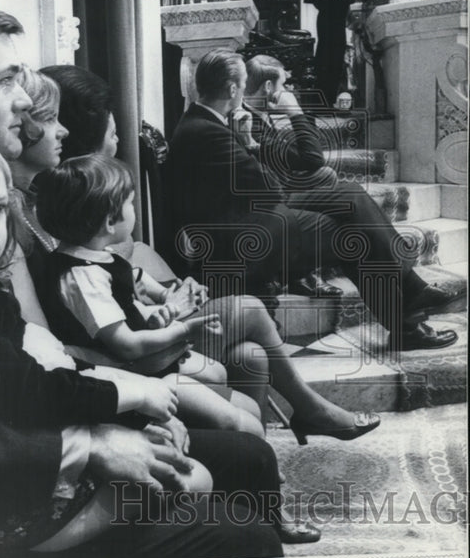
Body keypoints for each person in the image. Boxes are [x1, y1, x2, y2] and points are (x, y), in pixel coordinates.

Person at [0, 1, 289, 558]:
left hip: (47, 417)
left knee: (240, 457)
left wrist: (120, 408)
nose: (26, 102)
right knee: (236, 525)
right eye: (6, 80)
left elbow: (27, 351)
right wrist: (96, 434)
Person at [0, 121, 218, 558]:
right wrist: (134, 395)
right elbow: (30, 391)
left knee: (188, 471)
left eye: (0, 209)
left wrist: (131, 410)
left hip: (18, 450)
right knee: (193, 480)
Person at [35, 63, 386, 444]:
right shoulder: (79, 212)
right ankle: (309, 409)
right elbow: (98, 317)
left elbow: (128, 269)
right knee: (253, 304)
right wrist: (169, 311)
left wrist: (165, 293)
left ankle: (257, 460)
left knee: (252, 355)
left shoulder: (81, 209)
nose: (118, 142)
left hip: (154, 321)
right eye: (113, 133)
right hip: (135, 355)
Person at [167, 48, 460, 353]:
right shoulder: (209, 132)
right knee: (354, 234)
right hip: (251, 231)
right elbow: (270, 188)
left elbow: (277, 177)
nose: (243, 91)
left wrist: (252, 145)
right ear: (231, 89)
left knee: (351, 195)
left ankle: (410, 298)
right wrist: (249, 144)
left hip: (254, 215)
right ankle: (408, 314)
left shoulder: (204, 123)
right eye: (241, 85)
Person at [34, 153, 266, 437]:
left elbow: (131, 288)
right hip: (139, 374)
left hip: (154, 363)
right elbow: (127, 347)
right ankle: (244, 451)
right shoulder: (83, 277)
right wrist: (183, 329)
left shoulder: (100, 257)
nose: (134, 209)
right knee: (241, 421)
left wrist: (167, 301)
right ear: (109, 221)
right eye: (130, 203)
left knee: (243, 400)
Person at [243, 54, 343, 299]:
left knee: (326, 176)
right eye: (284, 85)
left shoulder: (260, 114)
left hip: (280, 184)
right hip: (266, 201)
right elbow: (313, 158)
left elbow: (305, 158)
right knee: (327, 179)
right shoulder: (249, 122)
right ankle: (300, 273)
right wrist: (295, 112)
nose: (287, 91)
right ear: (268, 87)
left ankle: (306, 268)